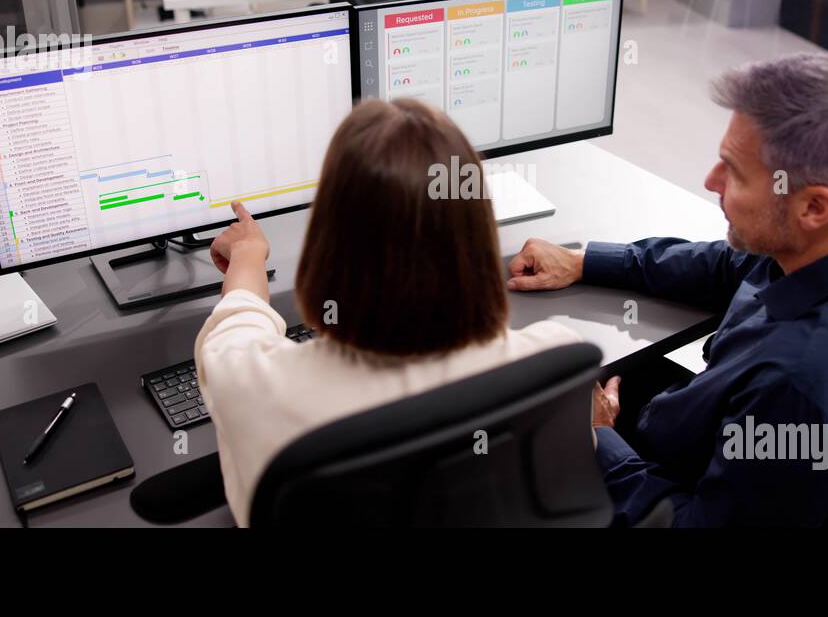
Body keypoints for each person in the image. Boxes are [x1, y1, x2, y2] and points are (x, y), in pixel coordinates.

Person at [507, 53, 828, 527]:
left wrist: (598, 437)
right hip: (707, 437)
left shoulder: (801, 391)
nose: (710, 181)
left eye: (734, 172)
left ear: (815, 206)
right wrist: (584, 261)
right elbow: (733, 264)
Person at [194, 98, 580, 526]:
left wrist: (248, 252)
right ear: (476, 234)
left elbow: (238, 321)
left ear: (329, 241)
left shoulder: (254, 384)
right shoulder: (553, 365)